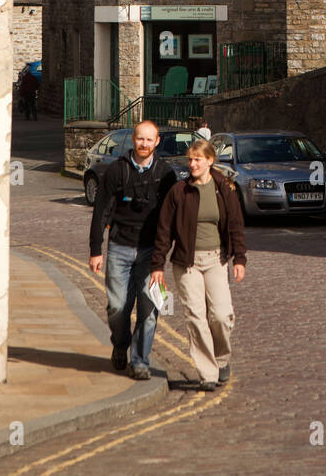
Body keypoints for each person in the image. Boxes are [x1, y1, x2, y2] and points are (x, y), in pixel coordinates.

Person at [151, 139, 246, 390]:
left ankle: (222, 359)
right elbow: (164, 230)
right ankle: (208, 374)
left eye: (197, 160)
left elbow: (235, 225)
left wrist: (240, 259)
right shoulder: (179, 191)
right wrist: (157, 266)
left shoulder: (224, 188)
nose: (192, 164)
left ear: (210, 161)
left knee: (221, 316)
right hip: (187, 263)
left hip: (216, 260)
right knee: (196, 317)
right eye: (190, 160)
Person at [89, 120, 176, 380]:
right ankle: (120, 344)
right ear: (133, 139)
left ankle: (140, 361)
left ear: (157, 142)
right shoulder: (117, 171)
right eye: (140, 139)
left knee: (149, 308)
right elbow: (100, 210)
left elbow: (174, 217)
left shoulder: (166, 174)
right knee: (117, 307)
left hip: (152, 254)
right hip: (119, 248)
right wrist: (96, 248)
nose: (144, 144)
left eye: (150, 140)